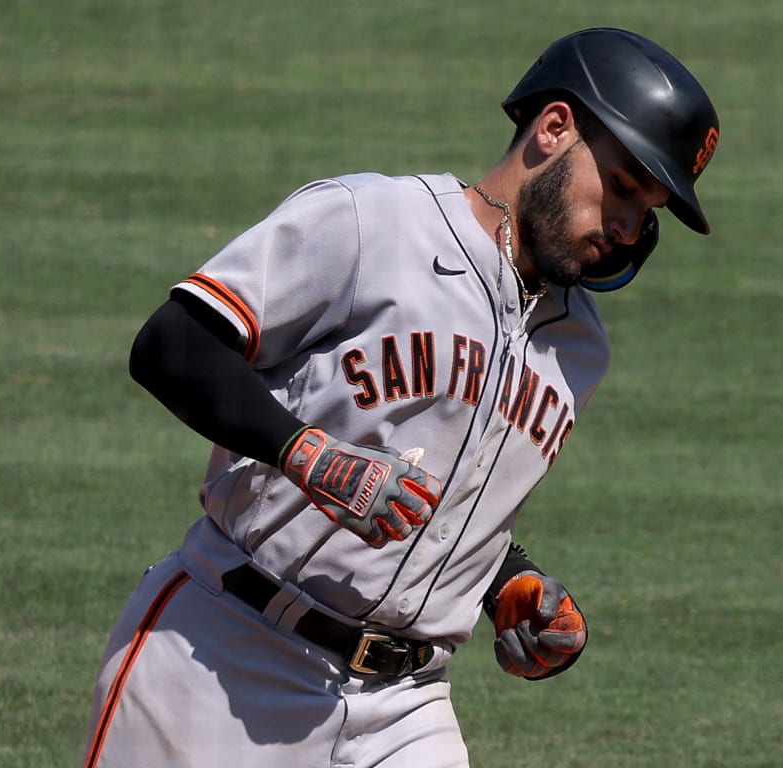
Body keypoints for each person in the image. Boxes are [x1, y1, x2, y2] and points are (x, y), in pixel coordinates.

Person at [82, 27, 720, 768]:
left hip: (405, 707)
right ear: (553, 129)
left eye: (649, 212)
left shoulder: (580, 348)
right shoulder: (371, 223)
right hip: (225, 657)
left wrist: (505, 581)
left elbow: (452, 494)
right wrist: (306, 453)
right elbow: (172, 345)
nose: (628, 227)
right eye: (623, 186)